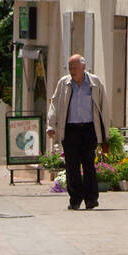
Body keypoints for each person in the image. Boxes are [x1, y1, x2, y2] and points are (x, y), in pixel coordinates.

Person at [46, 54, 109, 210]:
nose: (72, 71)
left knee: (89, 165)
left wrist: (105, 133)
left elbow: (104, 108)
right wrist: (51, 125)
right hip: (70, 129)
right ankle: (75, 199)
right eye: (70, 68)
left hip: (89, 129)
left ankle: (91, 199)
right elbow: (54, 104)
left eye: (75, 67)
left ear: (83, 67)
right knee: (72, 167)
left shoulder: (95, 83)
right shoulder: (64, 83)